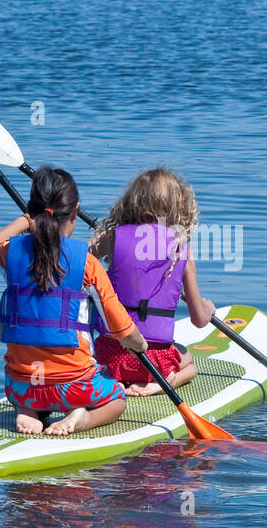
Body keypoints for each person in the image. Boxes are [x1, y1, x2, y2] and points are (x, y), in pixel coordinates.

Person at [0, 167, 146, 435]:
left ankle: (29, 409)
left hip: (20, 386)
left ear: (33, 212)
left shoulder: (10, 253)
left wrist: (25, 220)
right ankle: (81, 418)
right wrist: (140, 344)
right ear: (75, 210)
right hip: (74, 387)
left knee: (31, 388)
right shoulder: (87, 265)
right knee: (117, 399)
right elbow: (122, 330)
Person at [90, 168, 215, 397]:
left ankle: (117, 380)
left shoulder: (113, 237)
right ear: (178, 206)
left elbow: (82, 265)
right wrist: (208, 308)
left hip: (110, 355)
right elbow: (199, 320)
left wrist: (99, 242)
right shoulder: (182, 250)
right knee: (190, 362)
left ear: (130, 201)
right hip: (155, 362)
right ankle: (165, 382)